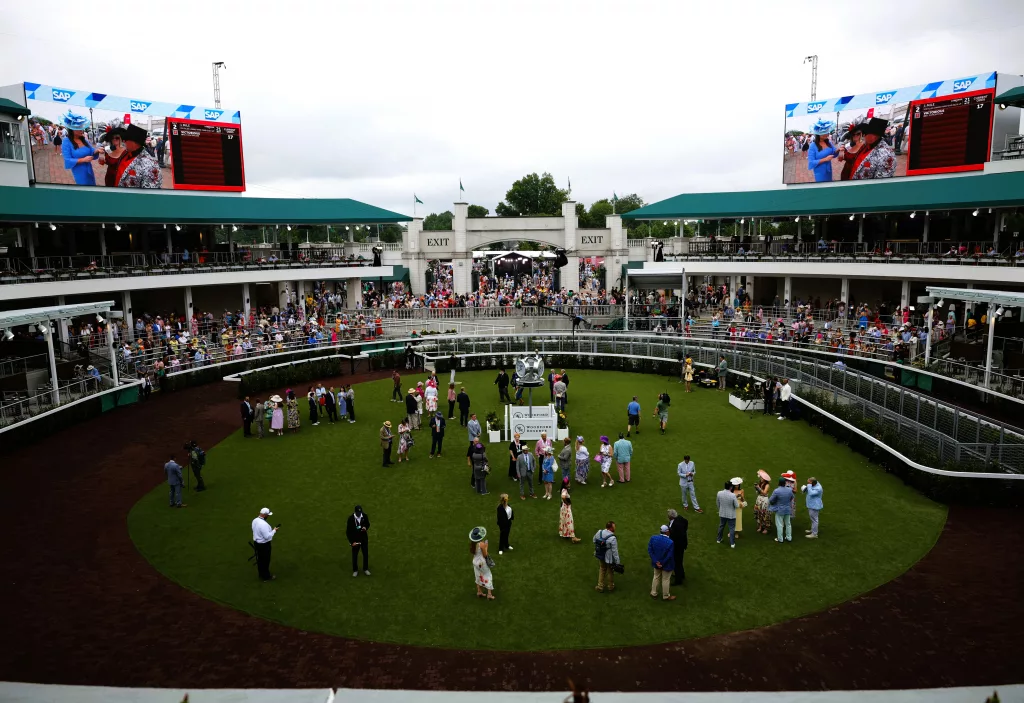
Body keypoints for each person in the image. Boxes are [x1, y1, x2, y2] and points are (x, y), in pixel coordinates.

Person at [59, 111, 100, 186]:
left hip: (89, 170)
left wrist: (97, 150)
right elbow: (67, 160)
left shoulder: (84, 139)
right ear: (72, 129)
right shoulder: (66, 141)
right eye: (79, 128)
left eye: (82, 127)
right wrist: (83, 160)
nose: (82, 130)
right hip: (79, 171)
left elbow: (91, 151)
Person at [116, 124, 163, 188]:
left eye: (126, 139)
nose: (123, 141)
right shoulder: (125, 153)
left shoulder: (151, 165)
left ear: (134, 142)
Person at [647, 525, 676, 601]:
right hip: (667, 564)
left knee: (656, 577)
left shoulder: (653, 538)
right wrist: (662, 563)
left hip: (656, 563)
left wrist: (656, 561)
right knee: (665, 579)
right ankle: (666, 596)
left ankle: (653, 593)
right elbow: (669, 555)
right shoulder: (670, 542)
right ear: (667, 532)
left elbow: (650, 551)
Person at [251, 507, 278, 581]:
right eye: (268, 515)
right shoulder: (263, 524)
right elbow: (267, 536)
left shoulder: (255, 520)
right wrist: (274, 530)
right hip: (264, 545)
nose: (268, 516)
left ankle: (261, 574)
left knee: (260, 559)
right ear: (265, 515)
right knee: (265, 561)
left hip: (257, 543)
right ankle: (266, 577)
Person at [593, 521, 620, 592]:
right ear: (611, 528)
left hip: (600, 554)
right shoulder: (613, 538)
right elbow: (615, 551)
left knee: (602, 568)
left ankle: (600, 586)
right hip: (609, 557)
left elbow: (594, 540)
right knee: (610, 571)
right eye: (614, 526)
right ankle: (611, 586)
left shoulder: (599, 532)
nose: (615, 527)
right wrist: (617, 562)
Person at [470, 526, 495, 599]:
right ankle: (489, 594)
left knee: (478, 575)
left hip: (475, 561)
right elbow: (485, 555)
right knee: (488, 575)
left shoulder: (472, 544)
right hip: (481, 562)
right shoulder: (481, 544)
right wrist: (486, 547)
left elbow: (473, 552)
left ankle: (479, 591)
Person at [346, 505, 371, 576]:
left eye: (360, 513)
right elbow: (348, 532)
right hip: (355, 540)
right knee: (355, 556)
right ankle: (355, 570)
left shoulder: (364, 516)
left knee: (365, 554)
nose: (360, 514)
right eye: (358, 513)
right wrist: (351, 542)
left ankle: (365, 569)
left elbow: (368, 524)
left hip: (363, 539)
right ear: (355, 512)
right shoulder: (351, 519)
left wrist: (365, 527)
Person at [769, 478, 795, 543]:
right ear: (785, 483)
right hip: (788, 509)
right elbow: (792, 497)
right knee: (788, 524)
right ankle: (789, 537)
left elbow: (771, 500)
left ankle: (780, 539)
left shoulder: (776, 491)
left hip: (780, 510)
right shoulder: (789, 490)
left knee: (779, 524)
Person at [667, 508, 688, 584]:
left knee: (677, 562)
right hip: (681, 544)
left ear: (671, 517)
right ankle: (681, 575)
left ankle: (678, 580)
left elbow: (676, 536)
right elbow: (686, 522)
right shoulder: (680, 518)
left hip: (678, 546)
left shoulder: (676, 525)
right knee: (679, 561)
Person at [716, 481, 739, 548]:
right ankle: (732, 543)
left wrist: (720, 509)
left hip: (722, 513)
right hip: (731, 515)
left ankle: (718, 539)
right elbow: (737, 506)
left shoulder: (719, 493)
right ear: (731, 487)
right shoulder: (733, 495)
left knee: (721, 526)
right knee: (731, 528)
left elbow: (717, 503)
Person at [558, 478, 582, 543]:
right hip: (566, 508)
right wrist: (566, 502)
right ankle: (573, 537)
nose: (570, 484)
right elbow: (563, 497)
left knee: (564, 521)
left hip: (563, 507)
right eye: (569, 483)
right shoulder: (565, 491)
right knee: (569, 521)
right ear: (566, 485)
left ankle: (565, 533)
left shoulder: (563, 489)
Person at [754, 470, 773, 535]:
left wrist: (758, 488)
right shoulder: (760, 483)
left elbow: (764, 493)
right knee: (759, 513)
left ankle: (765, 528)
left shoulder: (767, 485)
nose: (760, 479)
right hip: (759, 499)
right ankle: (760, 526)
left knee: (764, 514)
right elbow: (758, 492)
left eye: (762, 478)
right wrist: (757, 489)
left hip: (764, 500)